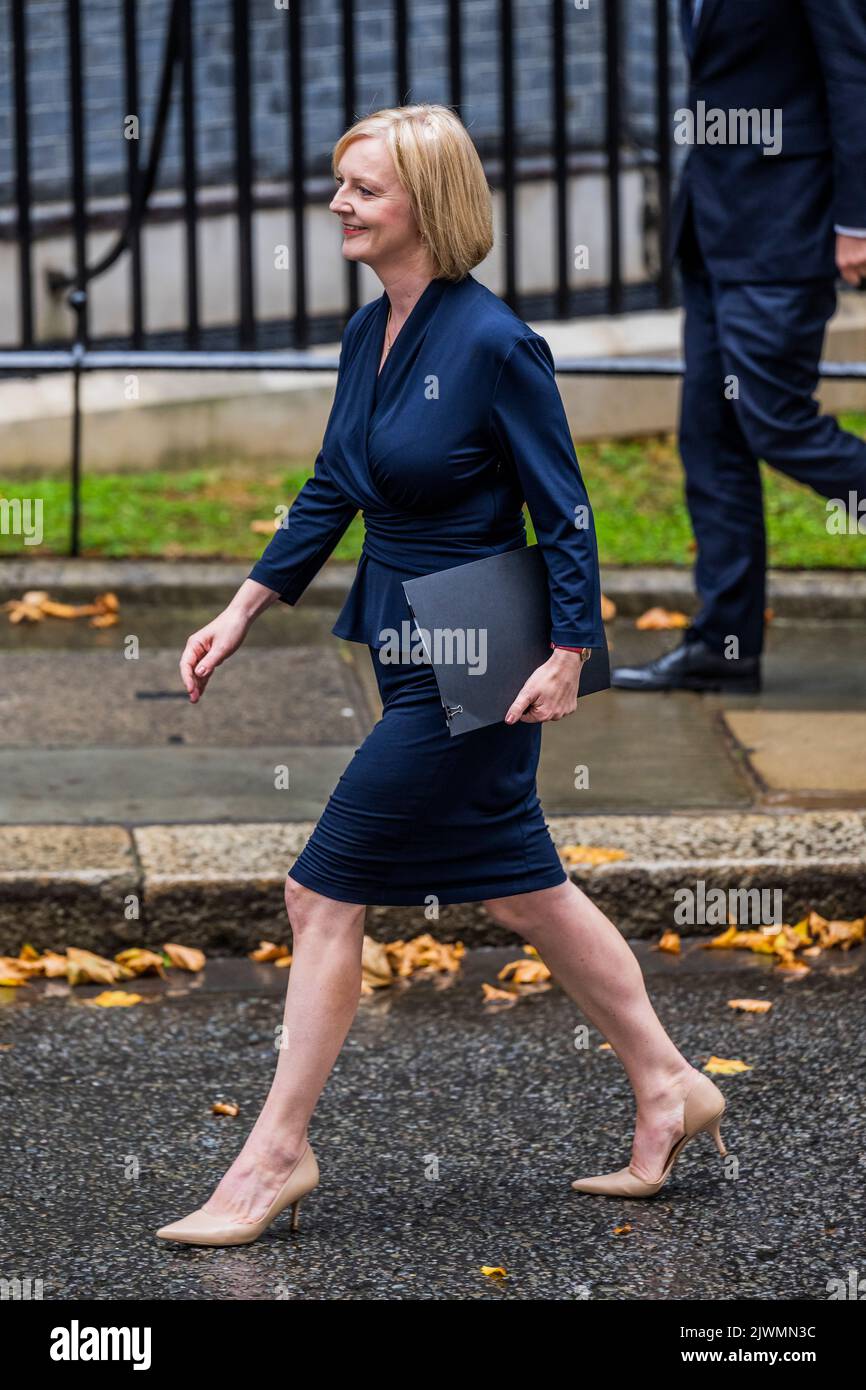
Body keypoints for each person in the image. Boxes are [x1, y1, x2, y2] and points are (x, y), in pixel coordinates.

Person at [156, 105, 725, 1246]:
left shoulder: (492, 340)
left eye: (362, 188)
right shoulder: (374, 332)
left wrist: (567, 651)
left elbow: (563, 506)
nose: (337, 205)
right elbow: (331, 485)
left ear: (427, 200)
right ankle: (667, 1085)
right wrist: (242, 605)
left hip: (486, 657)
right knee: (520, 884)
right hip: (413, 643)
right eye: (338, 185)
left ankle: (276, 1153)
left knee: (321, 890)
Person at [612, 0, 866, 693]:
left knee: (777, 421)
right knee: (710, 434)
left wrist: (857, 221)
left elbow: (854, 73)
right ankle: (724, 648)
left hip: (787, 223)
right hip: (714, 223)